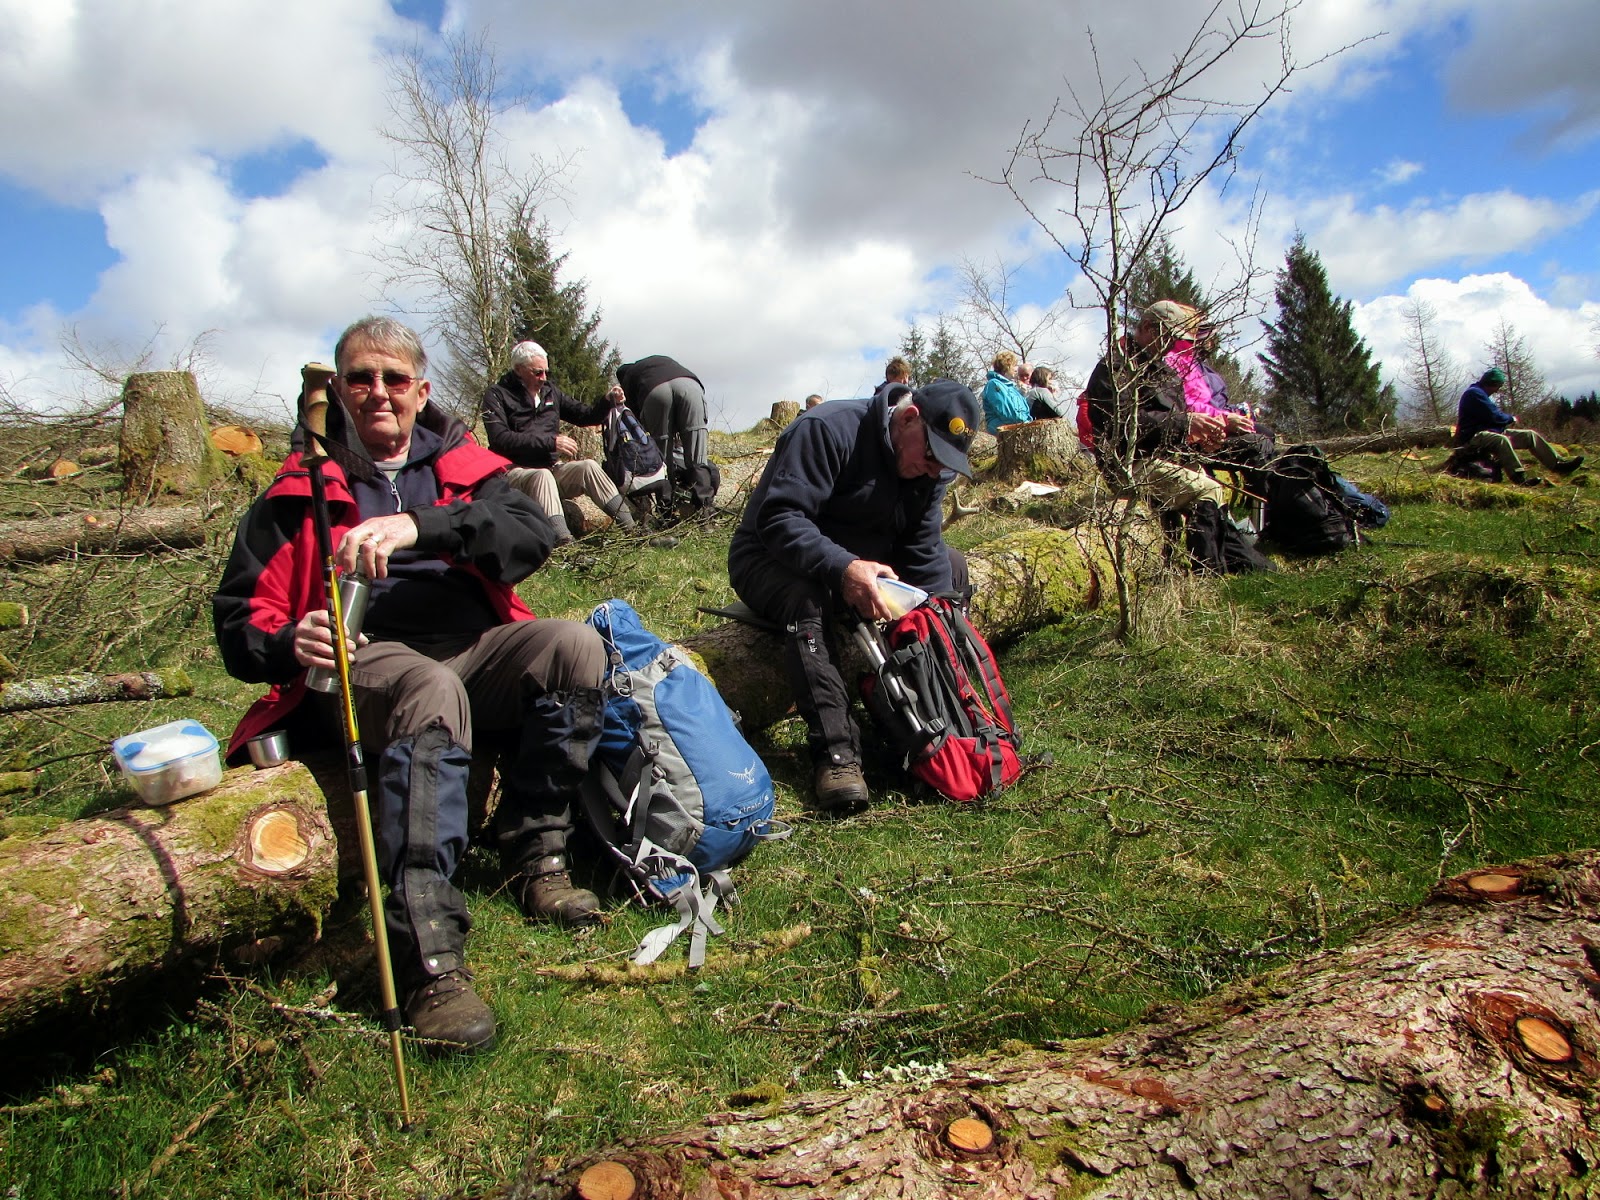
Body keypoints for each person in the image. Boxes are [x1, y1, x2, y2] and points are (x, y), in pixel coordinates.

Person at [213, 316, 608, 1055]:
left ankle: (537, 856)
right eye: (361, 378)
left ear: (422, 390)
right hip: (363, 664)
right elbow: (238, 622)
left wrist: (417, 528)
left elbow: (527, 539)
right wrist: (283, 641)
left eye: (395, 379)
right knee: (429, 688)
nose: (379, 393)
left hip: (473, 647)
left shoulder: (464, 466)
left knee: (577, 647)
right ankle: (431, 962)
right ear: (338, 389)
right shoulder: (299, 488)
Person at [728, 378, 980, 813]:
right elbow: (781, 519)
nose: (937, 470)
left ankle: (945, 715)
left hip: (862, 561)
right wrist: (843, 569)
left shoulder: (928, 469)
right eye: (933, 455)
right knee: (809, 596)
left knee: (951, 570)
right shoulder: (828, 429)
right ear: (908, 418)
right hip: (771, 556)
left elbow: (922, 550)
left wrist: (939, 617)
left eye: (947, 463)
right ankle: (837, 753)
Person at [1083, 300, 1253, 514]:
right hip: (1128, 465)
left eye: (1176, 338)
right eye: (1168, 336)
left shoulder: (1166, 373)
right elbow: (1120, 424)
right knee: (1208, 492)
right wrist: (1186, 424)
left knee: (1216, 498)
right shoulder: (1116, 367)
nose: (1172, 345)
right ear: (1146, 328)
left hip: (1168, 458)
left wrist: (1201, 438)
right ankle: (1200, 548)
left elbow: (1179, 419)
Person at [481, 341, 639, 542]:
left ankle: (632, 531)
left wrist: (607, 400)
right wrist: (550, 442)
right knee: (542, 476)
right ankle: (565, 544)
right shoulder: (496, 395)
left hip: (551, 468)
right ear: (519, 369)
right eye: (537, 373)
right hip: (514, 474)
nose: (543, 378)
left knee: (588, 466)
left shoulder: (550, 391)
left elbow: (585, 416)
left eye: (546, 372)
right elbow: (500, 438)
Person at [616, 354, 714, 512]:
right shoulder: (657, 362)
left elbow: (633, 422)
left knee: (662, 459)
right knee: (698, 457)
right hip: (690, 386)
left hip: (655, 393)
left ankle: (667, 512)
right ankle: (704, 511)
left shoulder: (628, 378)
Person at [1455, 367, 1583, 486]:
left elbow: (1492, 416)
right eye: (1498, 386)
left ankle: (1558, 464)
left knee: (1529, 435)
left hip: (1488, 432)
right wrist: (1511, 418)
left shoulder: (1479, 393)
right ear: (1492, 384)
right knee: (1501, 440)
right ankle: (1519, 477)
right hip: (1472, 436)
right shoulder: (1474, 394)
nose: (1498, 390)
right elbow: (1495, 416)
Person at [981, 350, 1032, 433]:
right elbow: (1007, 413)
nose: (1016, 369)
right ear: (1006, 366)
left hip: (1016, 429)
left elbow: (1025, 411)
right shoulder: (994, 384)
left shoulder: (1012, 387)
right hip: (1002, 432)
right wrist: (1026, 423)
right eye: (1014, 365)